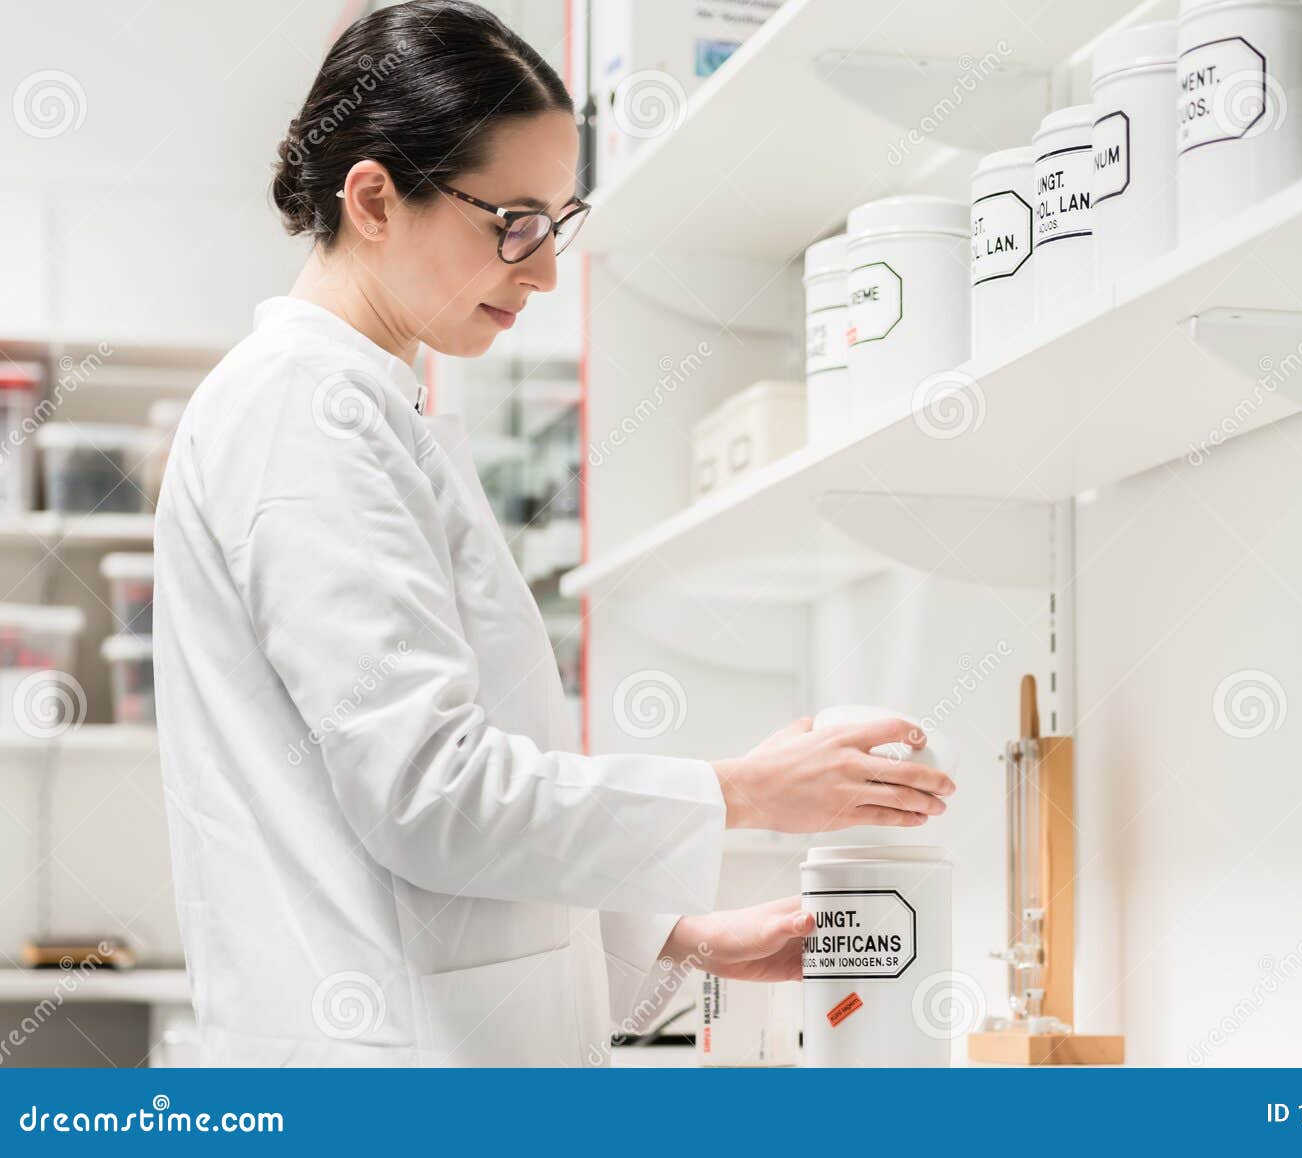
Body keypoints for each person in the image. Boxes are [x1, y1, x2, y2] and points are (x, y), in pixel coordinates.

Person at [151, 0, 954, 1065]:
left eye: (558, 225)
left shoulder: (370, 409)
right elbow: (430, 795)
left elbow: (436, 838)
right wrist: (743, 791)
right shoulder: (304, 412)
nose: (541, 270)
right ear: (375, 198)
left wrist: (678, 942)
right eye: (511, 223)